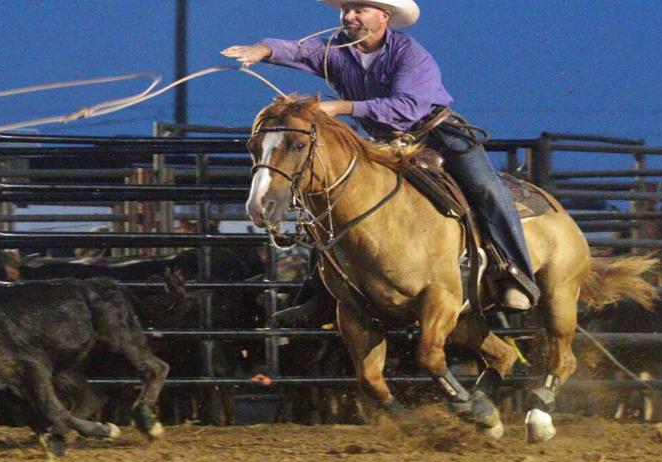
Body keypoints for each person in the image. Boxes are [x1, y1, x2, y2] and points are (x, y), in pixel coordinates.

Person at [222, 1, 540, 310]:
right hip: (386, 141)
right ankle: (321, 291)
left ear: (383, 16)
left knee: (485, 189)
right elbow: (302, 50)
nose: (350, 16)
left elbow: (405, 107)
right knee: (333, 198)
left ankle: (516, 273)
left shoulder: (409, 54)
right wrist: (264, 49)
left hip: (438, 135)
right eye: (347, 10)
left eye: (360, 10)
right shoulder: (336, 49)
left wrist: (342, 107)